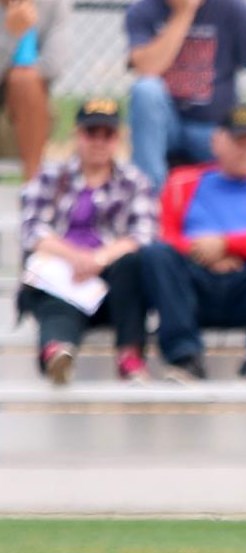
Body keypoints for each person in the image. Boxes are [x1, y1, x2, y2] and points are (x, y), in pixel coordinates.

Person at [141, 103, 246, 382]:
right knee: (156, 255)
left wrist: (226, 245)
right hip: (196, 286)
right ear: (217, 141)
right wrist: (205, 253)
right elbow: (166, 235)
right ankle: (184, 356)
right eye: (239, 142)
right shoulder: (182, 182)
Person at [18, 98, 155, 385]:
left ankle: (129, 353)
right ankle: (57, 352)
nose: (99, 142)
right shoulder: (50, 177)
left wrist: (98, 260)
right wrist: (75, 258)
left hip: (112, 278)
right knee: (55, 297)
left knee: (134, 264)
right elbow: (32, 229)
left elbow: (143, 234)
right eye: (91, 133)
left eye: (108, 134)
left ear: (118, 138)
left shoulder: (134, 181)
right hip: (62, 272)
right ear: (77, 135)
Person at [124, 0, 246, 188]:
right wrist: (183, 14)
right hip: (164, 128)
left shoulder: (231, 8)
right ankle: (149, 198)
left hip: (213, 130)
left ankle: (242, 213)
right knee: (145, 89)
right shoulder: (143, 10)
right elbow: (147, 68)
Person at [1, 0, 70, 178]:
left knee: (24, 80)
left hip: (26, 111)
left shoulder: (54, 4)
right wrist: (10, 34)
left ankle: (33, 185)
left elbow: (54, 66)